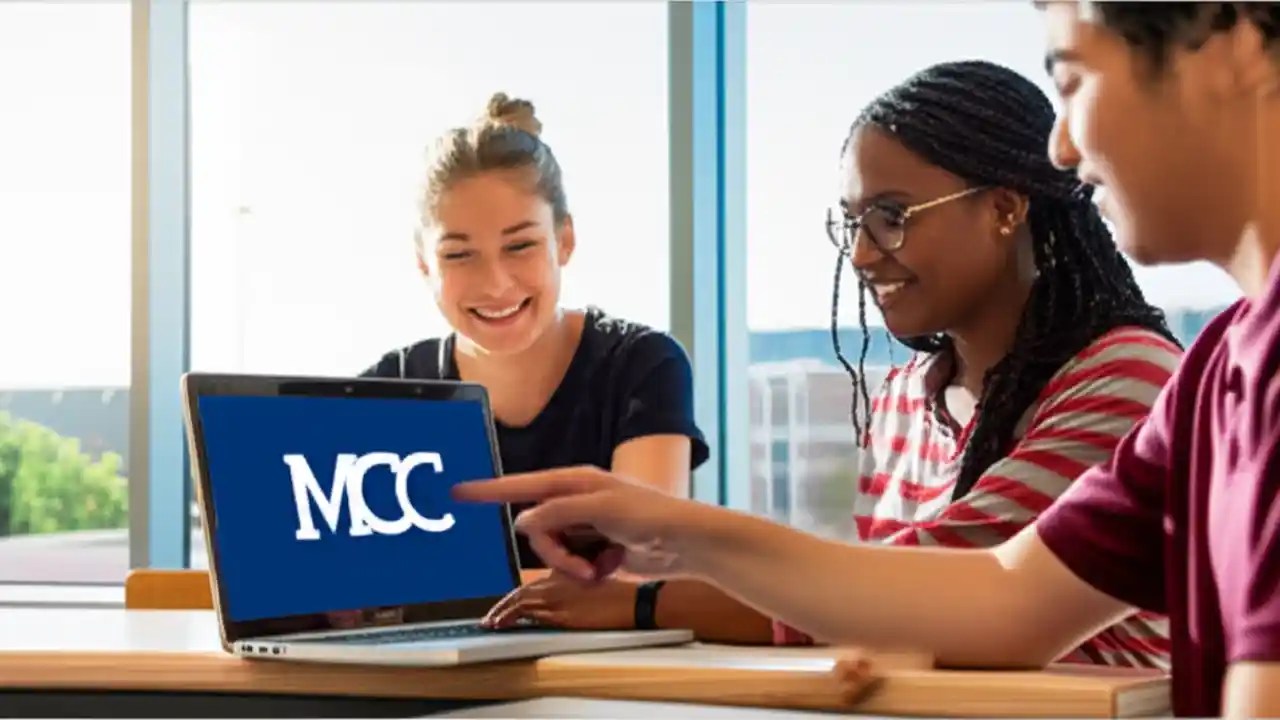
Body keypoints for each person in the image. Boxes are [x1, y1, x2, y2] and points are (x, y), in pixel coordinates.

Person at [453, 3, 1280, 717]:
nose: (1061, 146)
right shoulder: (1214, 374)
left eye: (1073, 81)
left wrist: (654, 580)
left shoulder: (1160, 373)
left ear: (1232, 45)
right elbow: (1003, 597)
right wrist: (673, 530)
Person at [364, 92, 709, 569]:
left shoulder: (640, 365)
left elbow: (644, 571)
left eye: (521, 245)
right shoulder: (385, 390)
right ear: (424, 263)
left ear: (563, 241)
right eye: (459, 254)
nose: (496, 284)